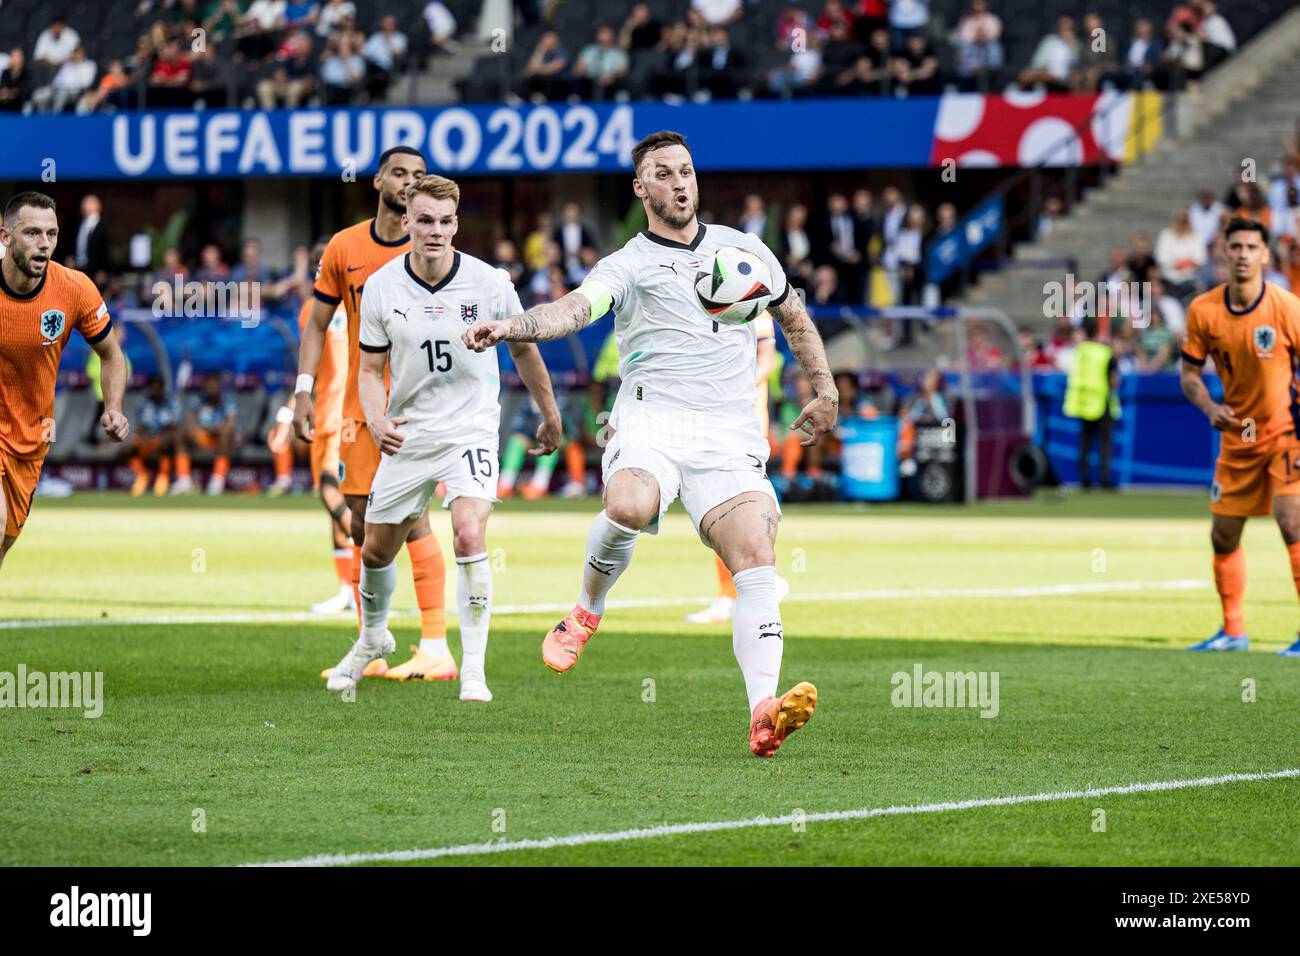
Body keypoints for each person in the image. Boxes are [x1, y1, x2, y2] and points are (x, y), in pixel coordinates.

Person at [462, 131, 839, 757]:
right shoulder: (627, 264)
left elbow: (793, 317)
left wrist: (823, 389)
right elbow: (575, 310)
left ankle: (763, 712)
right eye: (662, 173)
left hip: (728, 431)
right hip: (651, 421)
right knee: (631, 504)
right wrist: (512, 326)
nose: (679, 182)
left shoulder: (744, 250)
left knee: (756, 556)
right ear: (641, 188)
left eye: (686, 170)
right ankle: (586, 610)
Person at [325, 175, 561, 700]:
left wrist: (550, 412)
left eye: (446, 222)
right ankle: (371, 640)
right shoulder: (383, 286)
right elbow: (367, 369)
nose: (436, 231)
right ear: (406, 220)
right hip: (408, 434)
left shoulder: (490, 283)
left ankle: (473, 669)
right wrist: (376, 418)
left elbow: (524, 349)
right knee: (375, 551)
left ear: (457, 224)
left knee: (469, 535)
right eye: (425, 220)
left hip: (470, 429)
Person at [294, 146, 453, 683]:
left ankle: (435, 645)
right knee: (363, 522)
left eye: (417, 176)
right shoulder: (346, 247)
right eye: (400, 174)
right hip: (361, 407)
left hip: (415, 404)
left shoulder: (430, 244)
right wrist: (301, 390)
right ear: (379, 180)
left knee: (413, 519)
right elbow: (317, 323)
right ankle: (373, 644)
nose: (409, 183)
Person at [1180, 217, 1300, 657]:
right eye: (1237, 247)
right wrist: (1210, 408)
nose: (1244, 255)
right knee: (1223, 536)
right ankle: (1233, 632)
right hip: (1237, 438)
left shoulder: (1287, 307)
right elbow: (1189, 374)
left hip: (1287, 432)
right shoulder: (1204, 310)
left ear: (1266, 255)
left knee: (1293, 524)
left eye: (1252, 247)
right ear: (1223, 253)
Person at [0, 192, 128, 570]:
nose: (44, 245)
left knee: (4, 542)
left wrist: (115, 408)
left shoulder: (74, 288)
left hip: (30, 436)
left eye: (52, 234)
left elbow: (112, 355)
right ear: (5, 237)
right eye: (32, 233)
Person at [266, 239, 355, 613]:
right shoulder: (361, 302)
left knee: (330, 493)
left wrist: (286, 416)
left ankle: (375, 549)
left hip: (337, 415)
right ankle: (348, 591)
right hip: (342, 414)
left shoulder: (314, 309)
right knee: (336, 499)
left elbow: (310, 368)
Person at [686, 309, 790, 624]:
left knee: (729, 505)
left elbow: (767, 361)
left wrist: (731, 389)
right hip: (716, 421)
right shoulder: (710, 306)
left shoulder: (754, 306)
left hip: (745, 422)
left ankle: (743, 587)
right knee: (717, 505)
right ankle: (740, 588)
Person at [1062, 316, 1119, 490]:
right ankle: (1104, 479)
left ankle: (1084, 480)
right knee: (1104, 444)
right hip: (1101, 401)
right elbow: (1113, 381)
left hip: (1083, 402)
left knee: (1084, 443)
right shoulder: (1105, 352)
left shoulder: (1079, 352)